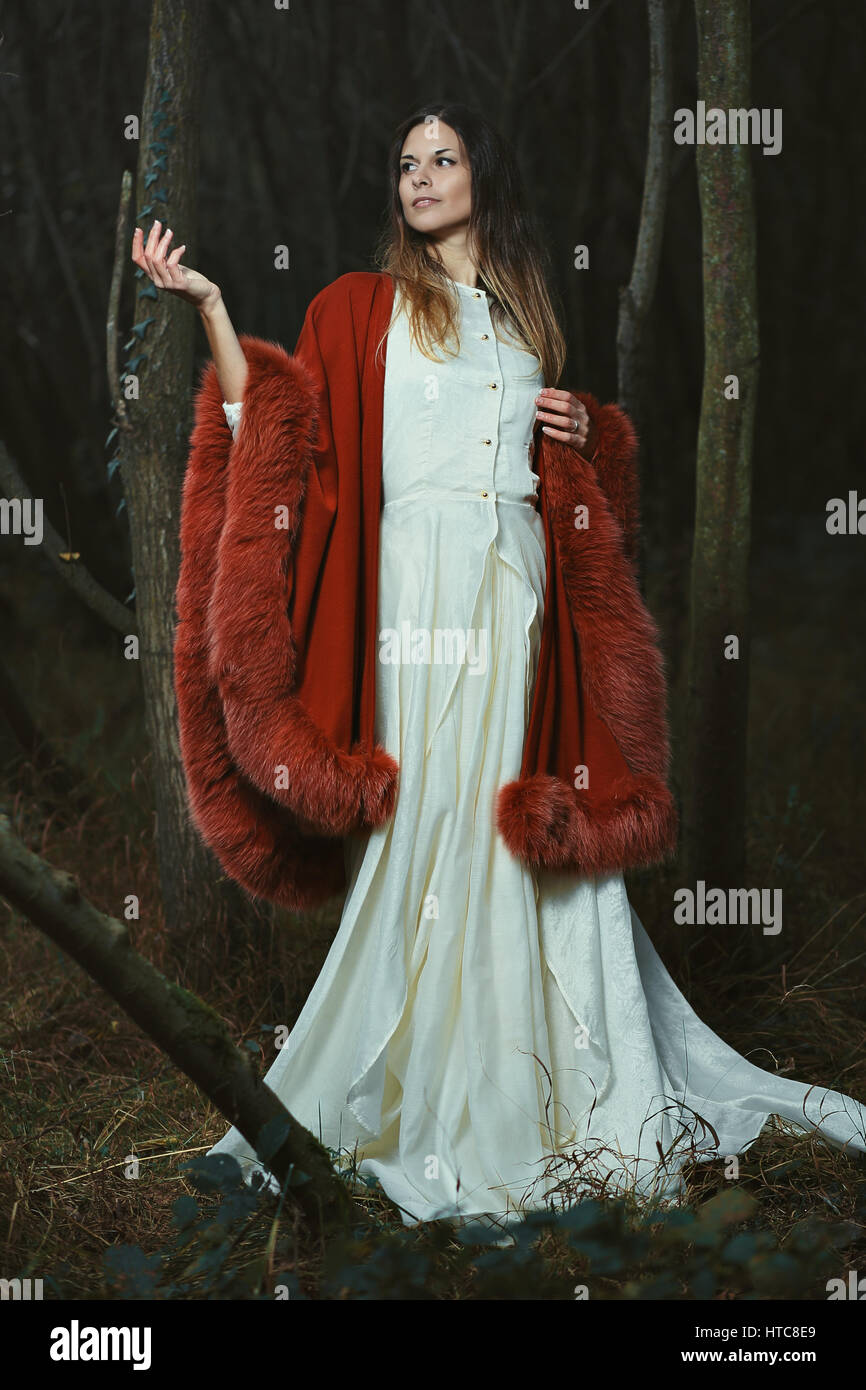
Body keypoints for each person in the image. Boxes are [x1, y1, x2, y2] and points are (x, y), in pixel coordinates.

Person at [133, 102, 866, 1235]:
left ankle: (557, 1068)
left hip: (515, 590)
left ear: (483, 174)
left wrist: (580, 438)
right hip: (414, 600)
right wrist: (214, 308)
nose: (420, 176)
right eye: (405, 163)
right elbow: (277, 425)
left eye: (443, 158)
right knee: (426, 822)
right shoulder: (359, 306)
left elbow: (567, 485)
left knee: (519, 821)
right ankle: (421, 1076)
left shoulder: (527, 319)